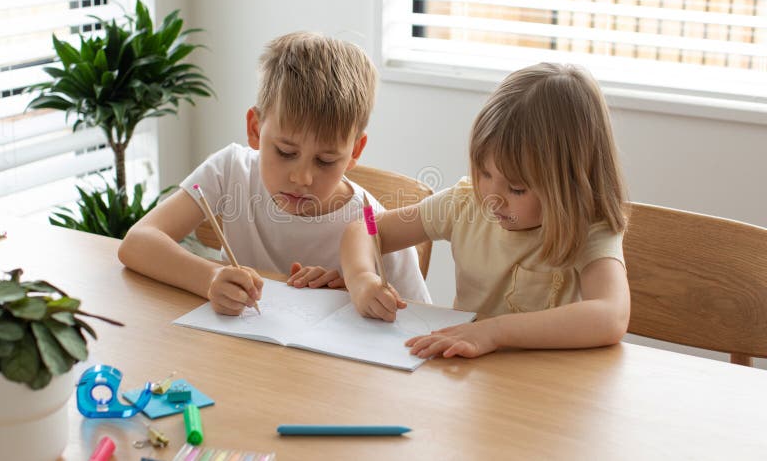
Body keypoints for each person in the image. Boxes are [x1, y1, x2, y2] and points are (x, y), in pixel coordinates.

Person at [119, 32, 430, 315]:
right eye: (285, 152)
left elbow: (419, 320)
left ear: (355, 152)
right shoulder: (230, 169)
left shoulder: (374, 224)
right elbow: (137, 243)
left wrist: (354, 296)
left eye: (325, 160)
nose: (301, 177)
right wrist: (210, 277)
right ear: (255, 129)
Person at [340, 62, 629, 358]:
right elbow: (362, 230)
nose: (492, 197)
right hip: (470, 381)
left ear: (569, 184)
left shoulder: (590, 230)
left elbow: (611, 316)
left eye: (516, 188)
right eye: (484, 173)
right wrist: (362, 280)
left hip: (550, 391)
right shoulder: (466, 204)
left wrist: (495, 332)